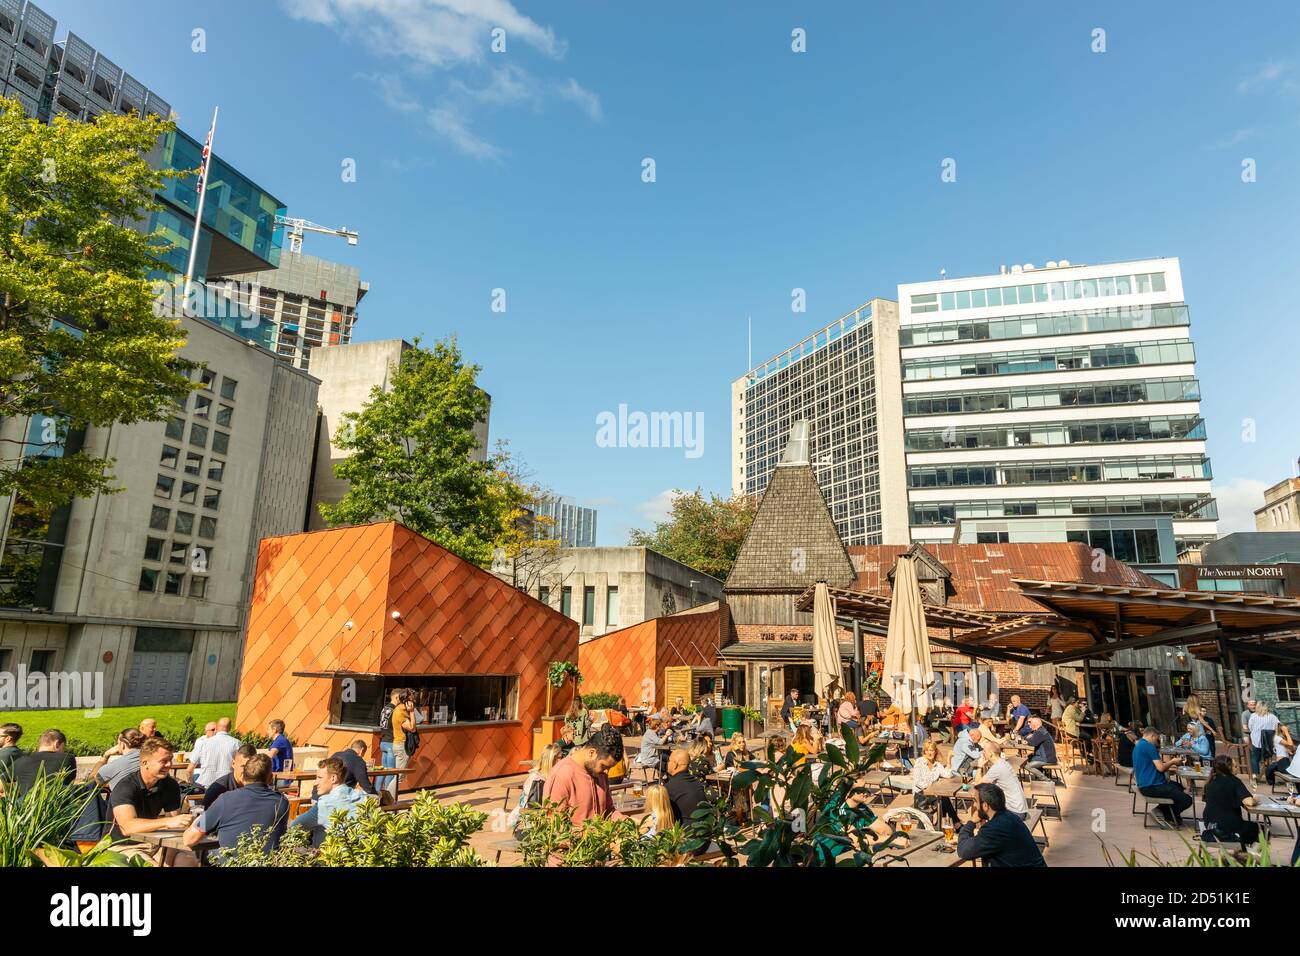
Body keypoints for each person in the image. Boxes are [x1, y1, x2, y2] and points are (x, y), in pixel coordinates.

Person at [185, 754, 288, 860]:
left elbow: (189, 839)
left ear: (242, 777)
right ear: (270, 778)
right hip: (267, 863)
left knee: (189, 856)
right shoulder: (282, 802)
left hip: (230, 862)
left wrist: (196, 820)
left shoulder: (225, 800)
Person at [108, 737, 193, 862]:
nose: (169, 765)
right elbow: (127, 827)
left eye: (170, 760)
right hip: (124, 846)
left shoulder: (169, 785)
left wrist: (192, 822)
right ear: (145, 763)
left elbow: (176, 821)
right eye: (163, 761)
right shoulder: (125, 786)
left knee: (188, 860)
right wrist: (167, 822)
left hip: (156, 843)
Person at [542, 725, 627, 824]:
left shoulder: (600, 774)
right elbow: (555, 826)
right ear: (592, 753)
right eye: (604, 766)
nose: (606, 772)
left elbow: (608, 811)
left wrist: (629, 823)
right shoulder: (561, 775)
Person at [955, 783, 1046, 867]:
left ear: (985, 806)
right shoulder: (1008, 816)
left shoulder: (995, 828)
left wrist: (970, 823)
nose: (974, 805)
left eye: (975, 801)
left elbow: (964, 851)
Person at [290, 756, 370, 842]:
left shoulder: (325, 803)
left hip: (333, 853)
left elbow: (295, 826)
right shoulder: (363, 796)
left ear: (333, 778)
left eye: (319, 778)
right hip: (363, 851)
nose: (315, 782)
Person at [1133, 726, 1193, 829]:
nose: (1158, 742)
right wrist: (1173, 761)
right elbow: (1160, 768)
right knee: (1187, 800)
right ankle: (1167, 814)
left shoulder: (1139, 745)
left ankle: (1163, 810)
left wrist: (1169, 765)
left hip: (1145, 784)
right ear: (1152, 735)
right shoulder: (1149, 747)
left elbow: (1153, 765)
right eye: (1157, 738)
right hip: (1152, 786)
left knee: (1178, 787)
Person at [1199, 754, 1259, 850]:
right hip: (1229, 828)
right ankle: (1254, 859)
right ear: (1228, 768)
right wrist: (1256, 798)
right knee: (1260, 830)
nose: (1237, 769)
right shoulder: (1234, 781)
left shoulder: (1210, 781)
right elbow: (1249, 802)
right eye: (1235, 766)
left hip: (1210, 825)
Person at [7, 728, 77, 795]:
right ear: (57, 744)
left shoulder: (20, 760)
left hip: (24, 804)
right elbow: (69, 784)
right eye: (63, 747)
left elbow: (1, 784)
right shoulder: (67, 758)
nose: (63, 750)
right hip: (55, 804)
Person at [508, 743, 560, 832]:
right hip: (527, 825)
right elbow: (533, 807)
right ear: (552, 759)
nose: (562, 760)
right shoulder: (537, 780)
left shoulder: (549, 776)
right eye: (560, 757)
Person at [910, 738, 959, 827]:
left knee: (943, 800)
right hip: (921, 795)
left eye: (932, 750)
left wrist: (948, 759)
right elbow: (918, 782)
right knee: (943, 801)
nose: (930, 753)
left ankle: (943, 826)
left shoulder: (937, 765)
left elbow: (948, 775)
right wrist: (932, 787)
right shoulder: (920, 762)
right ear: (924, 752)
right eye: (927, 750)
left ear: (935, 751)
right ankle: (954, 823)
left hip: (932, 795)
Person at [974, 742, 1029, 818]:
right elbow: (987, 781)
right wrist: (985, 766)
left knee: (983, 809)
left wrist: (979, 766)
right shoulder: (1003, 763)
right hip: (1020, 809)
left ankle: (983, 829)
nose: (983, 753)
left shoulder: (997, 768)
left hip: (1014, 812)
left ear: (990, 754)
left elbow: (978, 785)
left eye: (984, 751)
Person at [204, 743, 257, 811]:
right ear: (233, 764)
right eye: (243, 766)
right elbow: (203, 819)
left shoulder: (259, 786)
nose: (247, 771)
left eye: (251, 767)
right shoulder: (218, 789)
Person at [664, 747, 707, 827]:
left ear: (675, 765)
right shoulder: (697, 782)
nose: (668, 763)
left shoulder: (670, 787)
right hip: (704, 830)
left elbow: (663, 818)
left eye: (669, 761)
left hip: (685, 834)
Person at [193, 717, 240, 788]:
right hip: (227, 786)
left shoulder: (204, 743)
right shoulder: (237, 743)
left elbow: (189, 769)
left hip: (205, 786)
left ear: (217, 727)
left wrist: (190, 784)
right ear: (230, 728)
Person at [1247, 701, 1280, 783]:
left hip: (1256, 740)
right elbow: (1277, 727)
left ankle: (1255, 774)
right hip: (1269, 743)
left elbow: (1250, 727)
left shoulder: (1253, 716)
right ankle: (1269, 778)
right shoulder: (1272, 717)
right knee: (1268, 758)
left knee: (1255, 758)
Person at [1022, 716, 1058, 781]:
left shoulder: (1040, 732)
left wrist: (1027, 740)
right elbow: (1028, 738)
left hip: (1047, 759)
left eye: (1030, 723)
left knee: (1027, 766)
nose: (1029, 724)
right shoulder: (1039, 731)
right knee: (1028, 758)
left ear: (1035, 724)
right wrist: (1027, 738)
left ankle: (1045, 779)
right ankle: (1039, 778)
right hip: (1045, 757)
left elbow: (1033, 742)